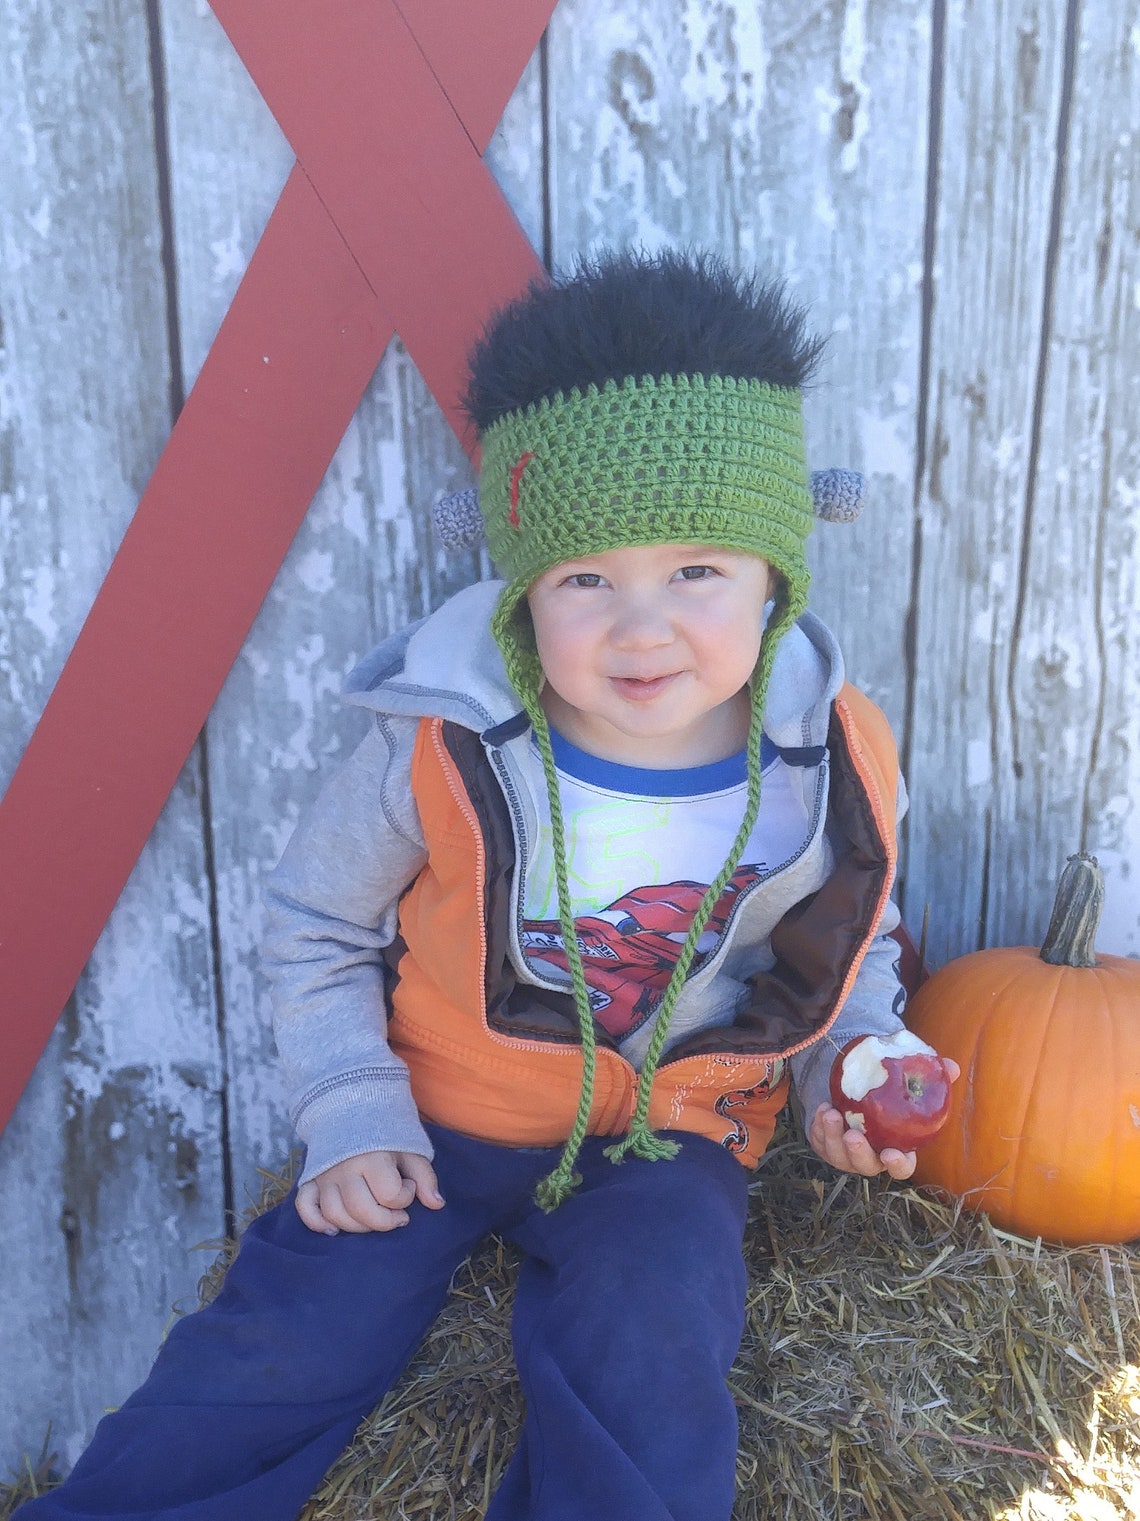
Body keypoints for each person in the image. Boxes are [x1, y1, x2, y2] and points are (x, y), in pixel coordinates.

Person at [19, 249, 956, 1521]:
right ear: (517, 581)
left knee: (654, 1345)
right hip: (439, 1115)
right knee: (283, 1336)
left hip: (664, 1135)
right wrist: (354, 1106)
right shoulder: (444, 741)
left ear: (778, 564)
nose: (642, 628)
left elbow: (846, 944)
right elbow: (319, 921)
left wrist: (849, 1055)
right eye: (586, 578)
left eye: (697, 570)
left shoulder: (832, 754)